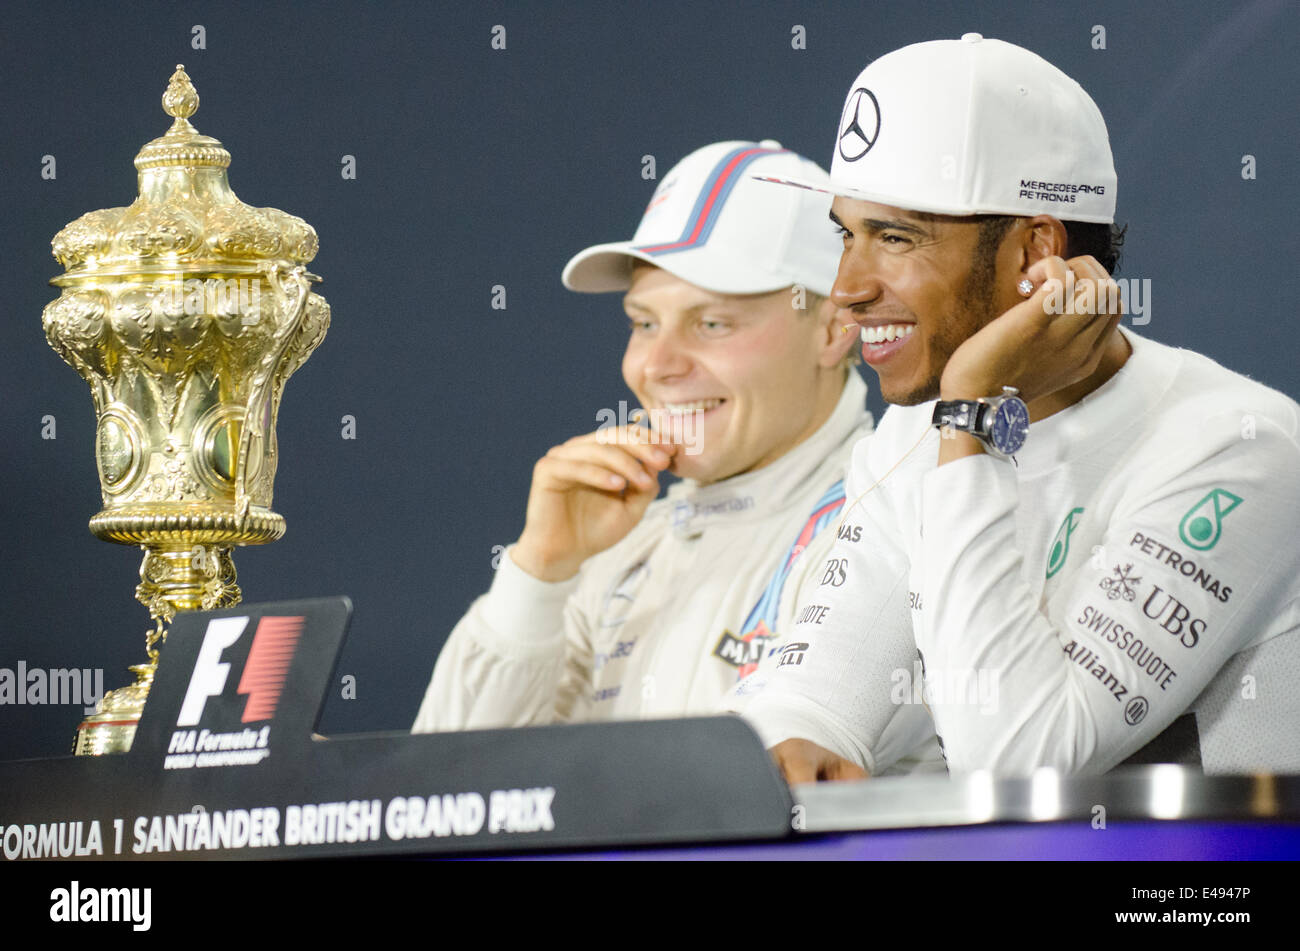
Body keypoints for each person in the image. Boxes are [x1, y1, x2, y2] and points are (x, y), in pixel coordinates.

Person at [737, 35, 1300, 779]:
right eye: (847, 235)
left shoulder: (1240, 446)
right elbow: (803, 709)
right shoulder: (910, 436)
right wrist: (786, 752)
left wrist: (973, 414)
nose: (846, 286)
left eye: (895, 237)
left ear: (1037, 252)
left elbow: (1019, 763)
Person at [412, 140, 939, 774]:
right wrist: (539, 574)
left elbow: (749, 802)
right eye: (642, 323)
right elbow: (446, 790)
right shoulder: (625, 548)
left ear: (834, 329)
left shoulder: (904, 524)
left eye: (711, 324)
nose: (656, 367)